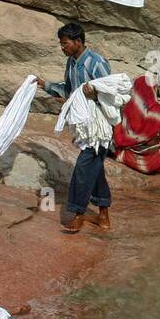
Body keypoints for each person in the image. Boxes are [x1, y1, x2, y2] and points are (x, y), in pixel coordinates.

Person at [31, 21, 112, 235]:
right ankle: (103, 212)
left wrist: (93, 95)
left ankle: (77, 213)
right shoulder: (71, 63)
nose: (62, 47)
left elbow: (112, 94)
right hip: (83, 126)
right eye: (61, 44)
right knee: (95, 168)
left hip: (100, 128)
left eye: (65, 43)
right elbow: (69, 90)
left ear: (78, 42)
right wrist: (44, 85)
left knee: (83, 168)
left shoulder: (96, 63)